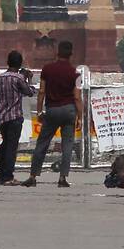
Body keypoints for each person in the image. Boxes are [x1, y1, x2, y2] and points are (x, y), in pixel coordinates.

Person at [24, 40, 79, 188]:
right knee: (67, 145)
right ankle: (62, 178)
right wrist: (80, 115)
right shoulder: (74, 72)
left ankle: (33, 176)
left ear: (57, 53)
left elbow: (41, 91)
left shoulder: (47, 69)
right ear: (71, 54)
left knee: (42, 143)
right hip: (68, 110)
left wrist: (39, 110)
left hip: (52, 109)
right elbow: (77, 96)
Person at [0, 51, 34, 184]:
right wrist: (29, 79)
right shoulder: (18, 78)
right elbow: (29, 92)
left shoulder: (1, 77)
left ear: (8, 62)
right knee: (11, 148)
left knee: (4, 146)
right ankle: (8, 177)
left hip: (2, 117)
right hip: (14, 117)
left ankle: (1, 174)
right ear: (20, 63)